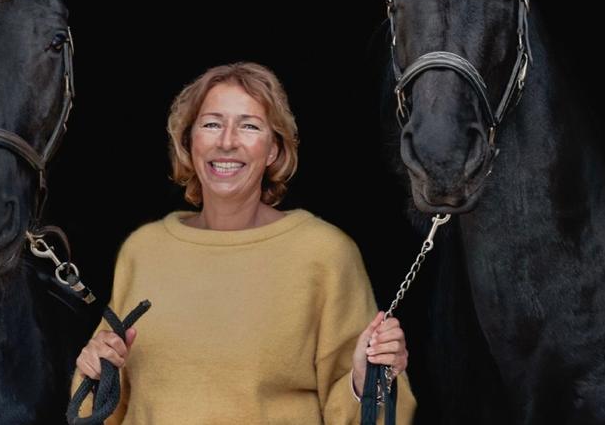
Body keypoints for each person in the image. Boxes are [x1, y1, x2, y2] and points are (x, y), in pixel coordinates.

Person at [70, 62, 416, 423]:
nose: (227, 142)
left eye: (249, 126)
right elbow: (101, 412)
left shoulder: (324, 253)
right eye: (211, 124)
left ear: (273, 150)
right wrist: (93, 372)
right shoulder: (143, 250)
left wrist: (363, 381)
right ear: (189, 141)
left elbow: (368, 411)